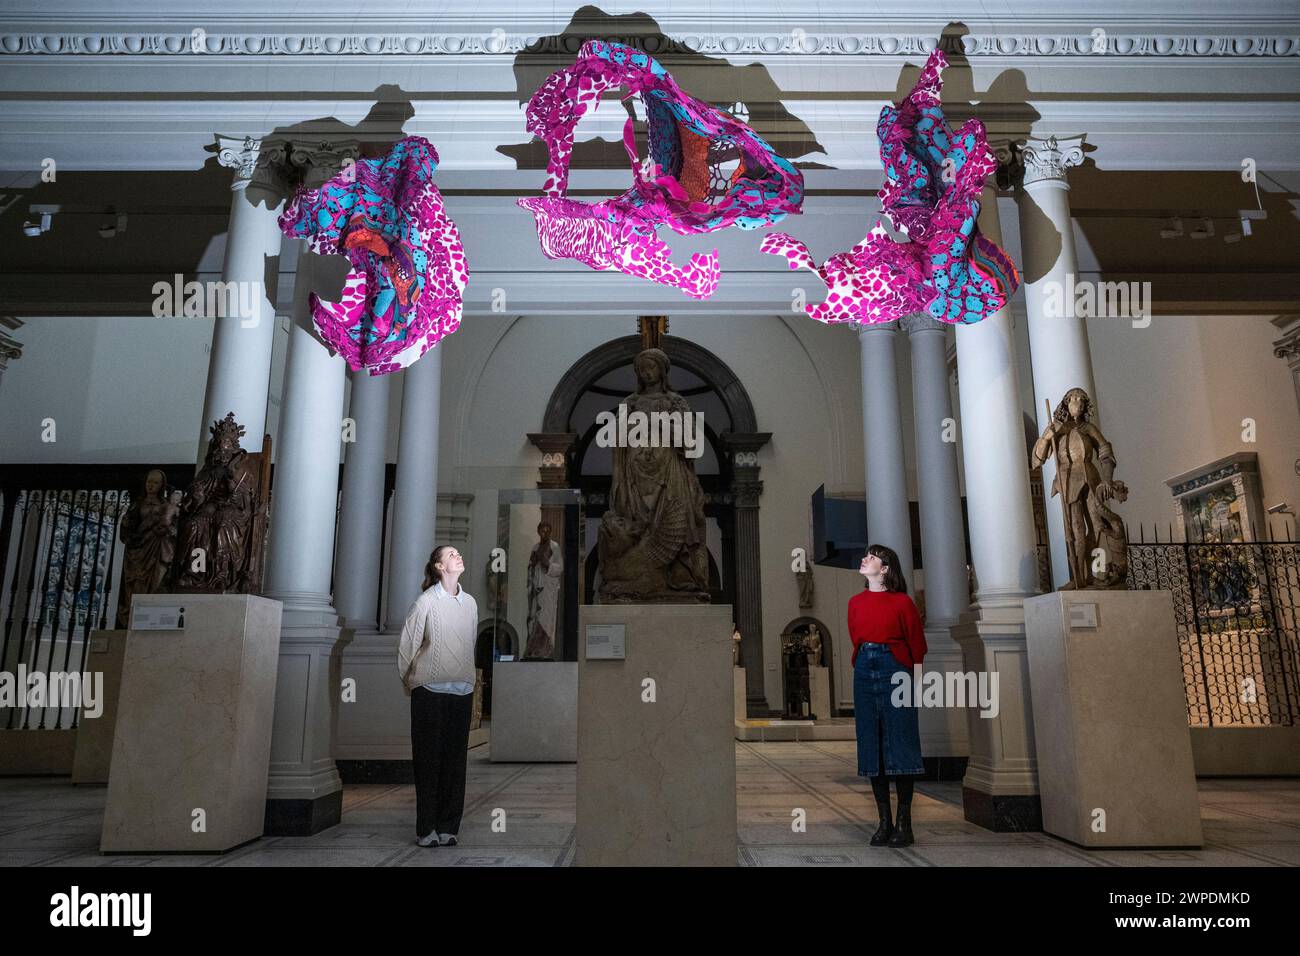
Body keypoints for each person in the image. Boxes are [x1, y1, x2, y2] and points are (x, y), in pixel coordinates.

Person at [397, 545, 478, 848]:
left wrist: (466, 676)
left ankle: (449, 826)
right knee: (428, 762)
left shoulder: (470, 603)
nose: (459, 556)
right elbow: (407, 647)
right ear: (439, 566)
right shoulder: (425, 603)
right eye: (452, 554)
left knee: (456, 763)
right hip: (429, 692)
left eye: (459, 553)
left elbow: (467, 643)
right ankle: (426, 829)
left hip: (462, 691)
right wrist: (412, 683)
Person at [849, 544, 927, 848]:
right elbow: (856, 639)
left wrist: (916, 684)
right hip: (864, 670)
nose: (865, 559)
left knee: (902, 742)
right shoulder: (855, 602)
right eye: (866, 555)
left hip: (896, 669)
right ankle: (884, 822)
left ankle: (904, 823)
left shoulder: (903, 603)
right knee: (871, 742)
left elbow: (917, 645)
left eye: (872, 557)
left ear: (884, 569)